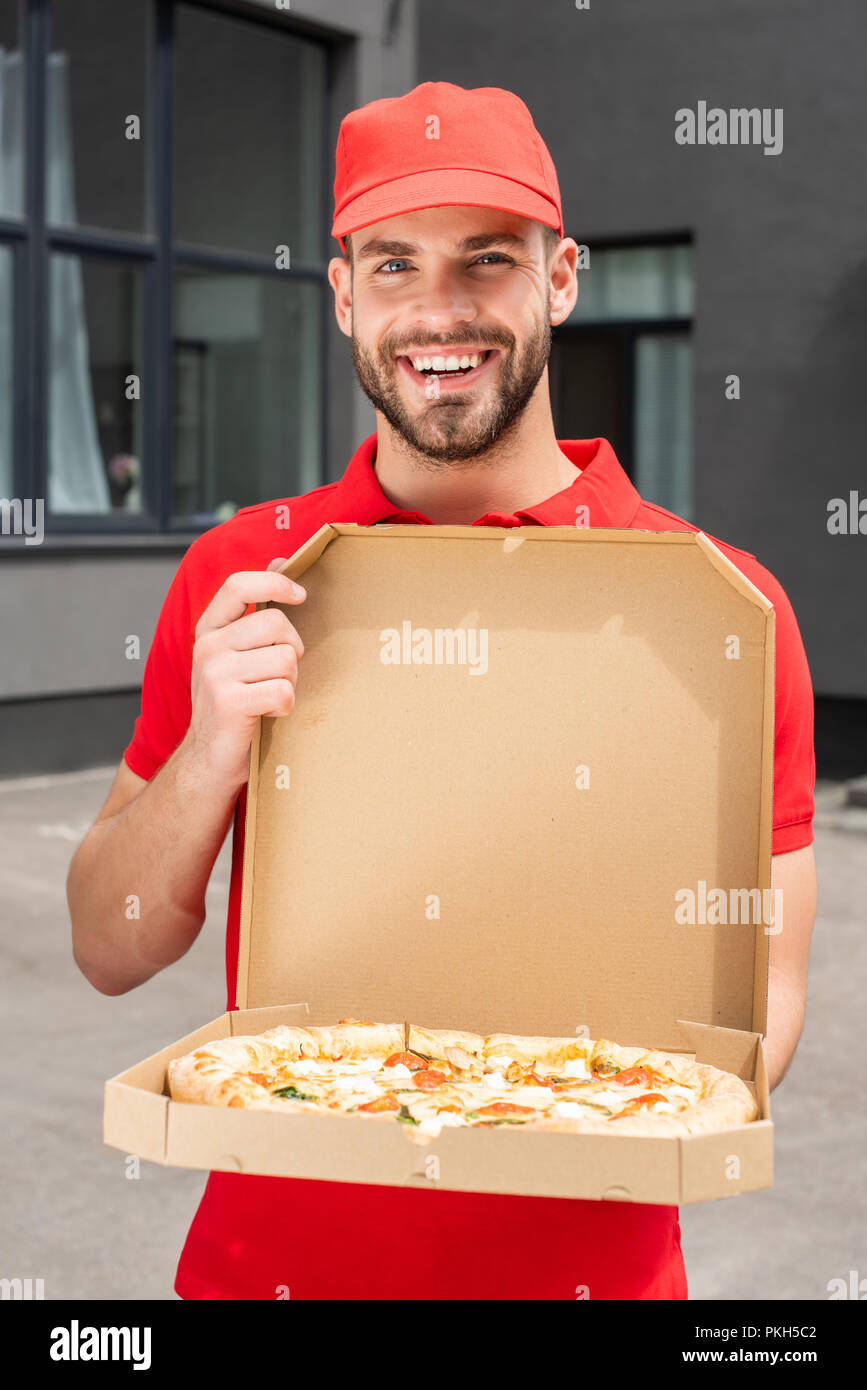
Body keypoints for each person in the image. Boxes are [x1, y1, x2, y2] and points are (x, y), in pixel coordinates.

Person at [68, 82, 817, 1300]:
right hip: (270, 1282)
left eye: (487, 260)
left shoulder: (723, 613)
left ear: (562, 277)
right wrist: (213, 748)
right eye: (396, 263)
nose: (438, 312)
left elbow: (758, 1011)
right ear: (344, 293)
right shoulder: (244, 577)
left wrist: (563, 1098)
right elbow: (109, 946)